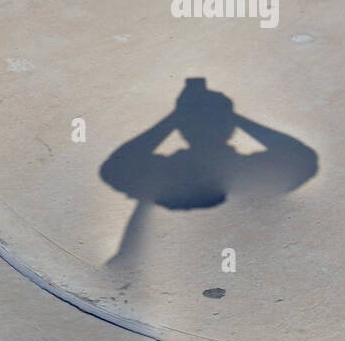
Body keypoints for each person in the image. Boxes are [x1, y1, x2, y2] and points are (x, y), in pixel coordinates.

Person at [99, 77, 316, 266]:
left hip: (166, 271)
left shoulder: (166, 172)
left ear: (183, 129)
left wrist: (176, 118)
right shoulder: (247, 171)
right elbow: (301, 158)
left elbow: (117, 167)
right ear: (229, 128)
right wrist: (234, 118)